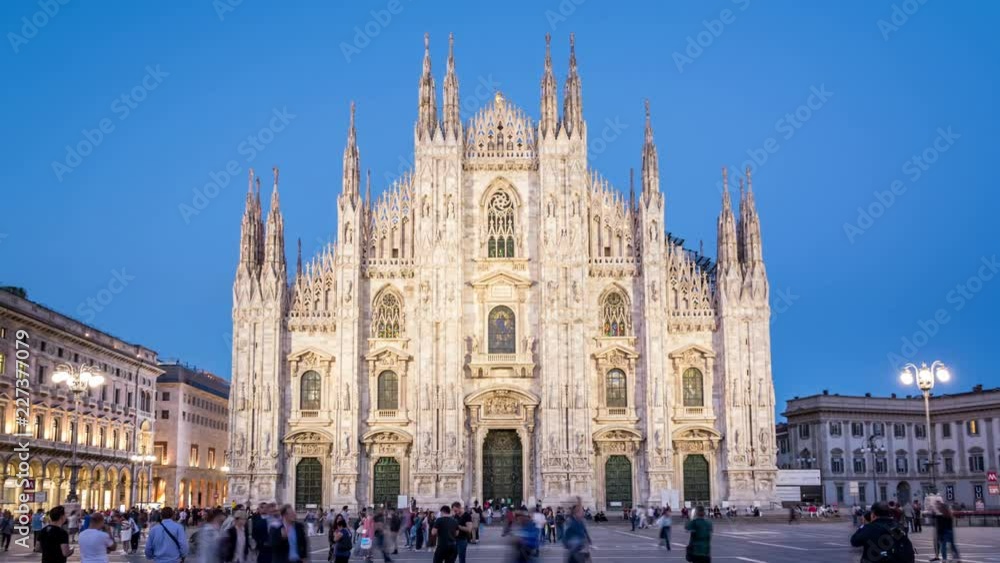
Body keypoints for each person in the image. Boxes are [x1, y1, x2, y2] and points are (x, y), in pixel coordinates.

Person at [849, 502, 915, 563]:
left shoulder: (869, 528)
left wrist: (863, 525)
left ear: (873, 514)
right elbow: (906, 546)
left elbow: (854, 541)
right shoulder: (897, 527)